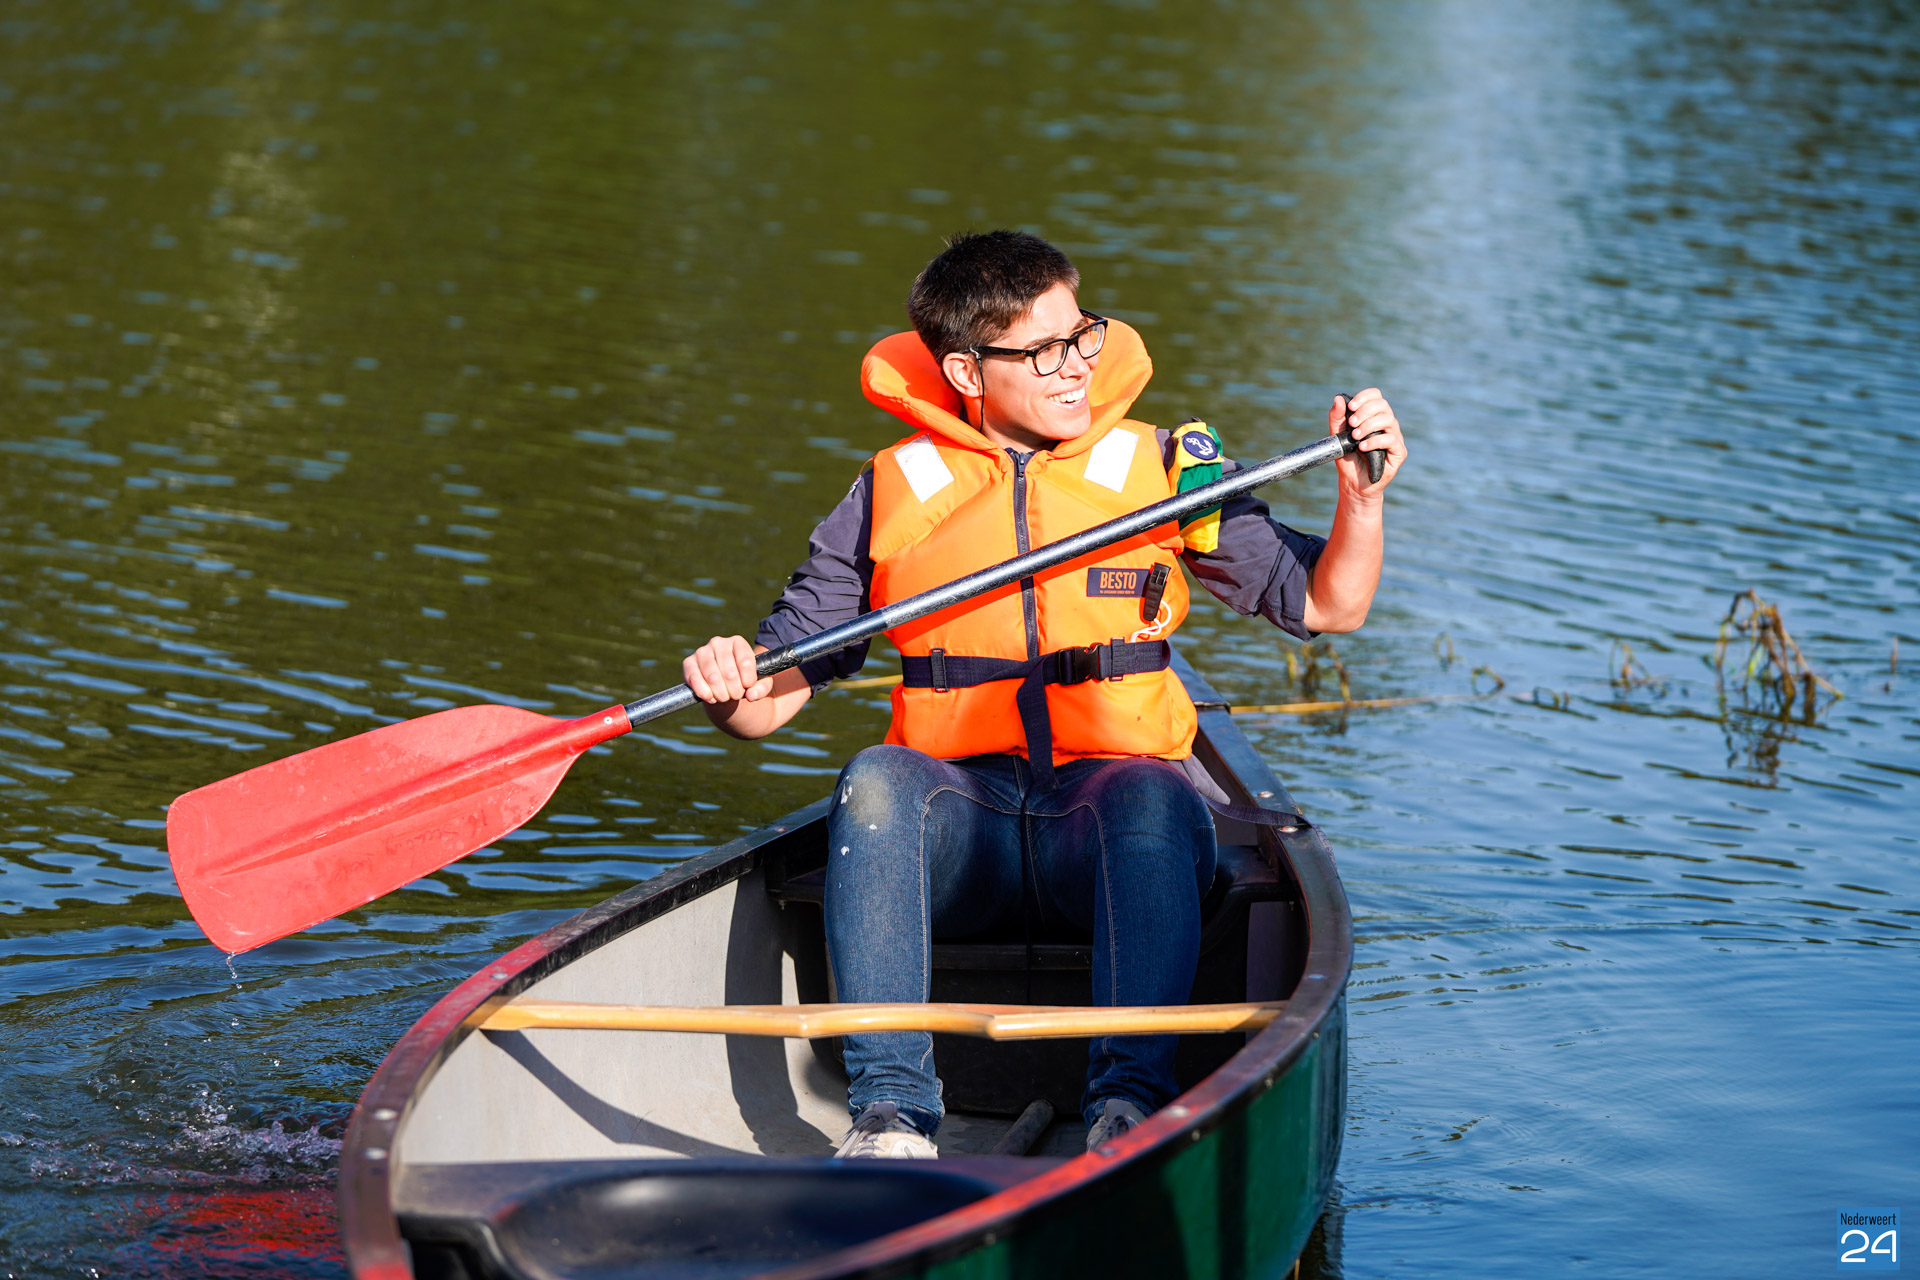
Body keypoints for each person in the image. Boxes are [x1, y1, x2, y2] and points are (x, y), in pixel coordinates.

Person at [684, 231, 1405, 1159]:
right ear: (966, 371)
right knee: (875, 779)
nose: (1078, 367)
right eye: (1044, 351)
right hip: (965, 836)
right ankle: (891, 1116)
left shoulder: (1165, 471)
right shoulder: (891, 491)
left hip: (1109, 829)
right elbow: (765, 703)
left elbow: (1328, 604)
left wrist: (1361, 499)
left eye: (1083, 334)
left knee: (1150, 791)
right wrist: (727, 679)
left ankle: (1128, 1105)